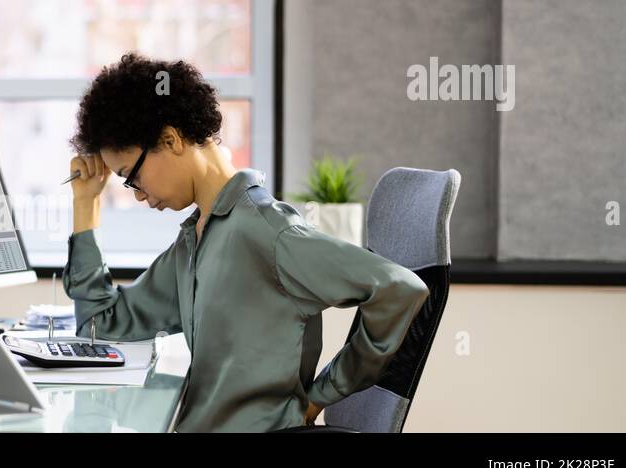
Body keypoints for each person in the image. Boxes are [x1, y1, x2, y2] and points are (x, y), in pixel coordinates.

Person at [64, 53, 429, 432]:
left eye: (131, 177)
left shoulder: (266, 231)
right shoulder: (196, 239)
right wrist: (85, 203)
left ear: (169, 139)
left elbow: (400, 288)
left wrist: (323, 394)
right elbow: (100, 324)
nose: (137, 195)